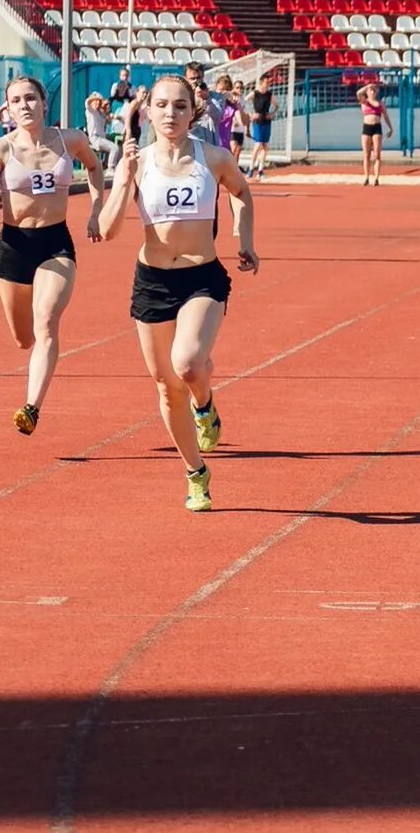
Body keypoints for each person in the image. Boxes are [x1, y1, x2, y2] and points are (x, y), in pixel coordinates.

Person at [98, 75, 259, 511]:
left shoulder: (214, 157)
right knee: (167, 388)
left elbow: (241, 190)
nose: (171, 113)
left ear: (194, 112)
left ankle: (204, 403)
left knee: (187, 363)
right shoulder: (137, 163)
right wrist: (124, 178)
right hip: (153, 282)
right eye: (163, 106)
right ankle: (196, 472)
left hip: (202, 277)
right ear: (148, 112)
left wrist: (242, 236)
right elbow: (108, 230)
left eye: (180, 106)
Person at [0, 77, 107, 435]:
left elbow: (94, 167)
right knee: (23, 338)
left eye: (31, 98)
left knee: (46, 321)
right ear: (9, 110)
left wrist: (96, 211)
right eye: (16, 101)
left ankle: (31, 408)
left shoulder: (70, 140)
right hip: (14, 246)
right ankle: (30, 353)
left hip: (55, 243)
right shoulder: (0, 148)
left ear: (45, 103)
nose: (25, 105)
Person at [356, 80, 391, 186]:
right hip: (367, 127)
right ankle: (366, 177)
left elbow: (385, 116)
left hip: (376, 127)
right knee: (366, 154)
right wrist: (367, 86)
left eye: (374, 90)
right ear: (367, 92)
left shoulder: (380, 103)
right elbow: (358, 93)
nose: (373, 92)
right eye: (371, 90)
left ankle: (376, 178)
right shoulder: (364, 101)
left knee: (377, 154)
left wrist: (390, 128)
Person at [245, 77, 276, 181]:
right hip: (257, 121)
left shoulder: (269, 94)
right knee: (258, 144)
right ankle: (250, 169)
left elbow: (277, 105)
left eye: (269, 82)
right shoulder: (255, 93)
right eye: (266, 82)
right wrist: (250, 114)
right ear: (262, 83)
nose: (268, 84)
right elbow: (243, 102)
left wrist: (272, 114)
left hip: (266, 120)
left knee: (265, 146)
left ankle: (261, 170)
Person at [222, 79, 247, 166]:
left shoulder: (243, 100)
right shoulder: (229, 99)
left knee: (238, 151)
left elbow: (244, 116)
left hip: (241, 129)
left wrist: (246, 128)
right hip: (232, 129)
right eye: (237, 87)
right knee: (233, 150)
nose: (239, 89)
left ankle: (235, 168)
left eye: (241, 88)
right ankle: (230, 168)